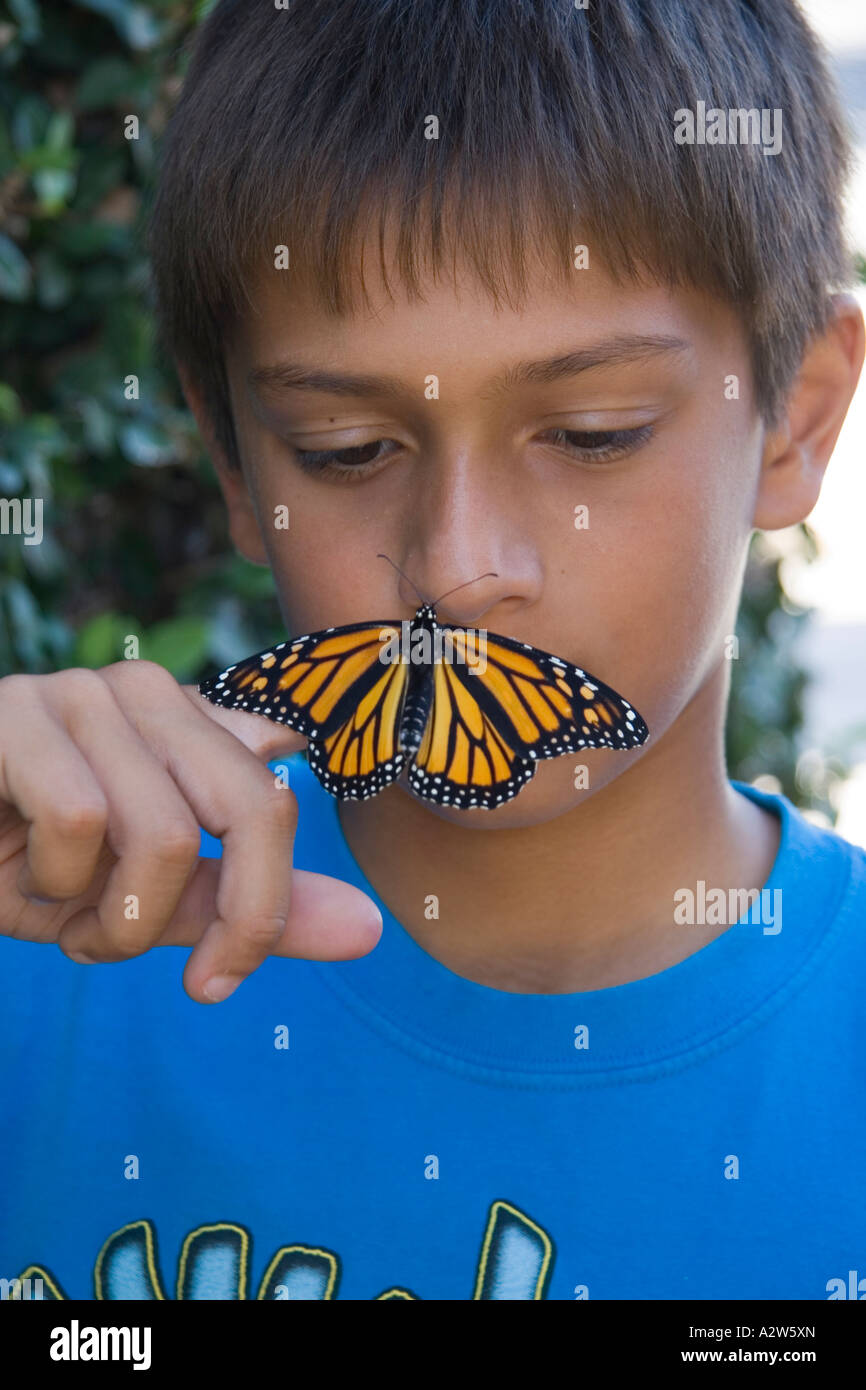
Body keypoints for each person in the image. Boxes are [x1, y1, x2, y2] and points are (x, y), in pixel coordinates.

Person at [1, 0, 864, 1301]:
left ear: (793, 421)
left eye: (590, 432)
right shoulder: (45, 935)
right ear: (234, 459)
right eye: (345, 452)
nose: (458, 564)